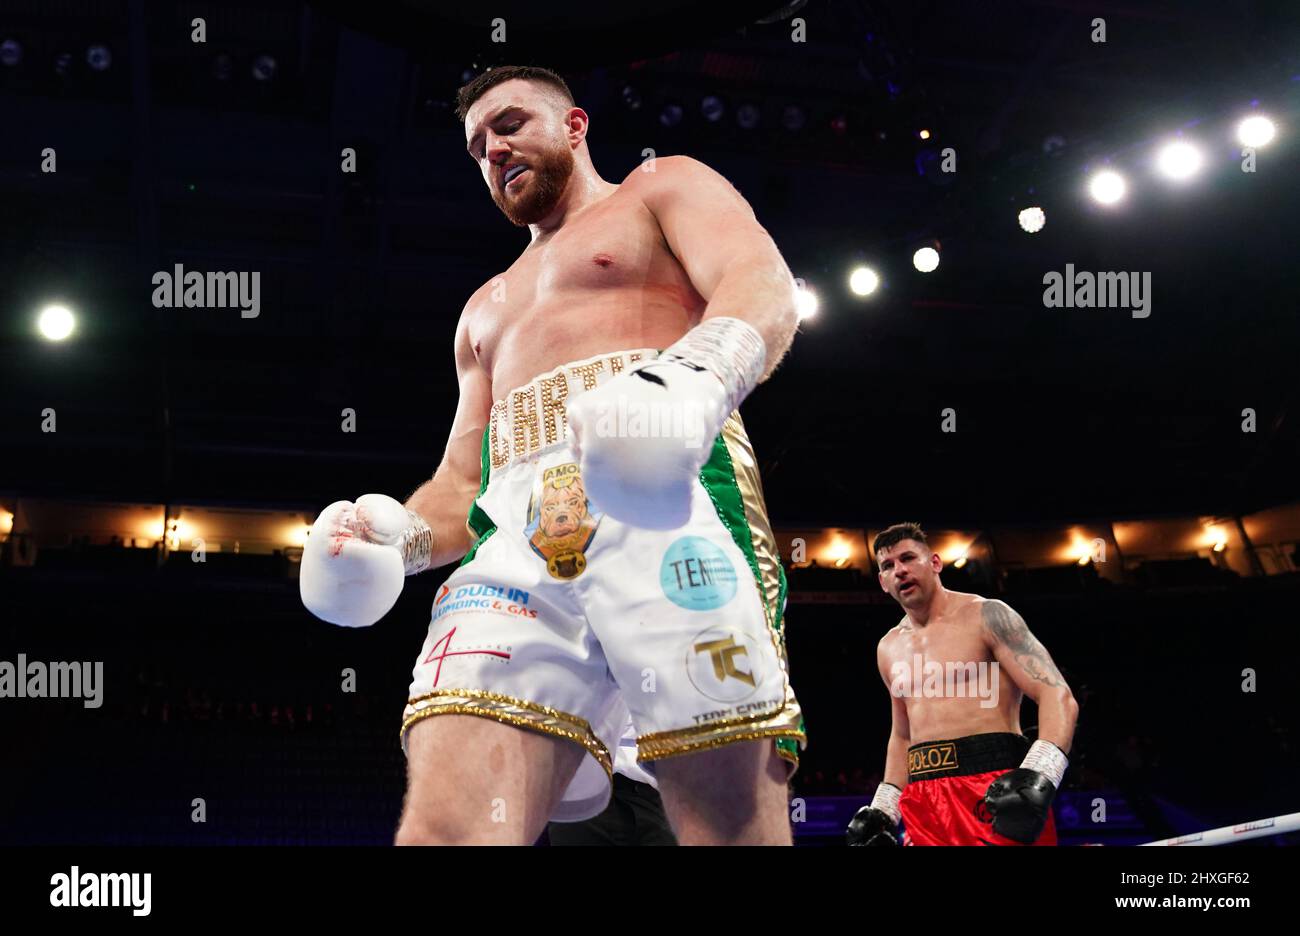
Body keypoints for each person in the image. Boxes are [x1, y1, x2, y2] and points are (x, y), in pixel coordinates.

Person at [299, 65, 804, 844]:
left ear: (574, 127)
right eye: (475, 147)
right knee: (447, 828)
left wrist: (694, 378)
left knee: (723, 824)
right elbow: (463, 483)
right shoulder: (482, 308)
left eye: (509, 126)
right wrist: (394, 537)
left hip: (664, 488)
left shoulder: (660, 186)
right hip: (519, 531)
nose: (492, 151)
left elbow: (759, 281)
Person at [847, 523, 1078, 846]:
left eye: (908, 558)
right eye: (888, 566)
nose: (900, 570)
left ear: (935, 563)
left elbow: (1056, 693)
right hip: (925, 801)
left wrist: (1039, 776)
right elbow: (902, 734)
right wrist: (884, 809)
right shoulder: (888, 647)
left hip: (994, 790)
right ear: (883, 582)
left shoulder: (987, 616)